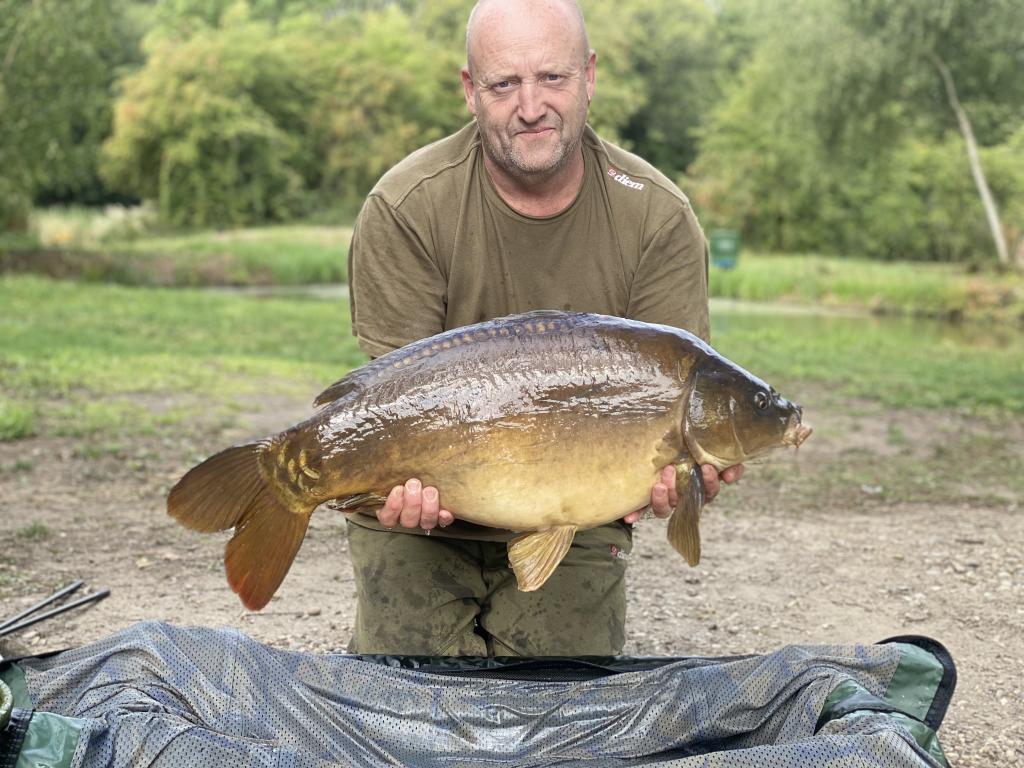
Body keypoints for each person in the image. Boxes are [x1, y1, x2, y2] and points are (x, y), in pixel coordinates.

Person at [344, 0, 742, 657]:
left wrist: (689, 480)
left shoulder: (658, 218)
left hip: (576, 516)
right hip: (422, 516)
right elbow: (393, 404)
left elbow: (683, 413)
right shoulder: (406, 205)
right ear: (471, 91)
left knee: (558, 709)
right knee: (409, 703)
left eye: (552, 78)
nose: (531, 106)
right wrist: (389, 486)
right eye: (505, 84)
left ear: (589, 77)